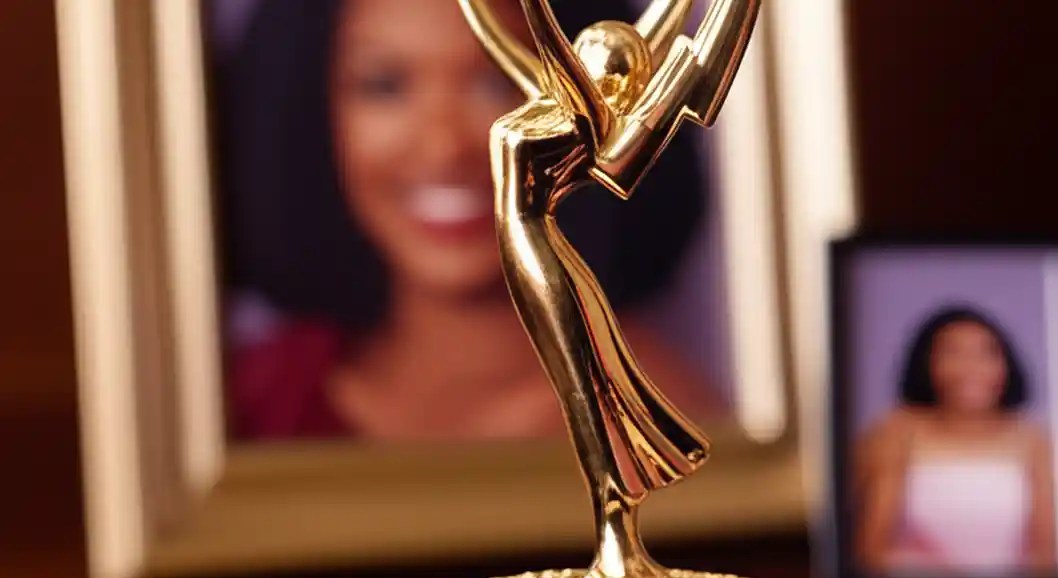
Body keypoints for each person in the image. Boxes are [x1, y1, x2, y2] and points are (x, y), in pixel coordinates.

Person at [214, 0, 723, 442]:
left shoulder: (654, 421)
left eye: (496, 83)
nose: (445, 148)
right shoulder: (244, 404)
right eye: (385, 86)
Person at [854, 306, 1058, 578]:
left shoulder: (1034, 440)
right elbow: (871, 552)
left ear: (1006, 365)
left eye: (985, 354)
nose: (970, 367)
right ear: (928, 364)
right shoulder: (896, 433)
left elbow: (1047, 556)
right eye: (953, 353)